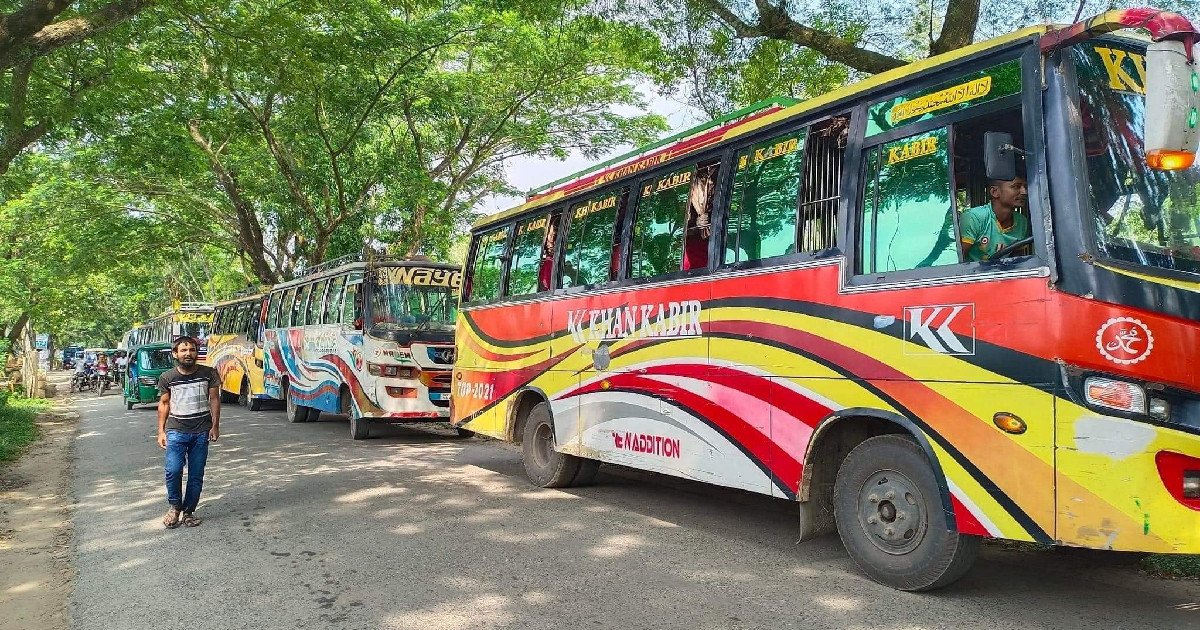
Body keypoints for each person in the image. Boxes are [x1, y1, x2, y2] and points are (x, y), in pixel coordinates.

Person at [157, 336, 221, 529]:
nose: (188, 354)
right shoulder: (168, 377)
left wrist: (215, 426)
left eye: (192, 350)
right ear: (175, 354)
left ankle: (189, 512)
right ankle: (175, 507)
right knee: (173, 470)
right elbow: (164, 404)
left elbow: (215, 400)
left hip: (201, 432)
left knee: (196, 474)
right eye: (183, 350)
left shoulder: (209, 373)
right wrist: (160, 431)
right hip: (176, 431)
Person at [959, 175, 1030, 262]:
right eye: (1016, 186)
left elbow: (1018, 260)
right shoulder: (974, 217)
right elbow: (957, 262)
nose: (1024, 192)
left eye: (1025, 187)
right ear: (994, 192)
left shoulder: (1021, 221)